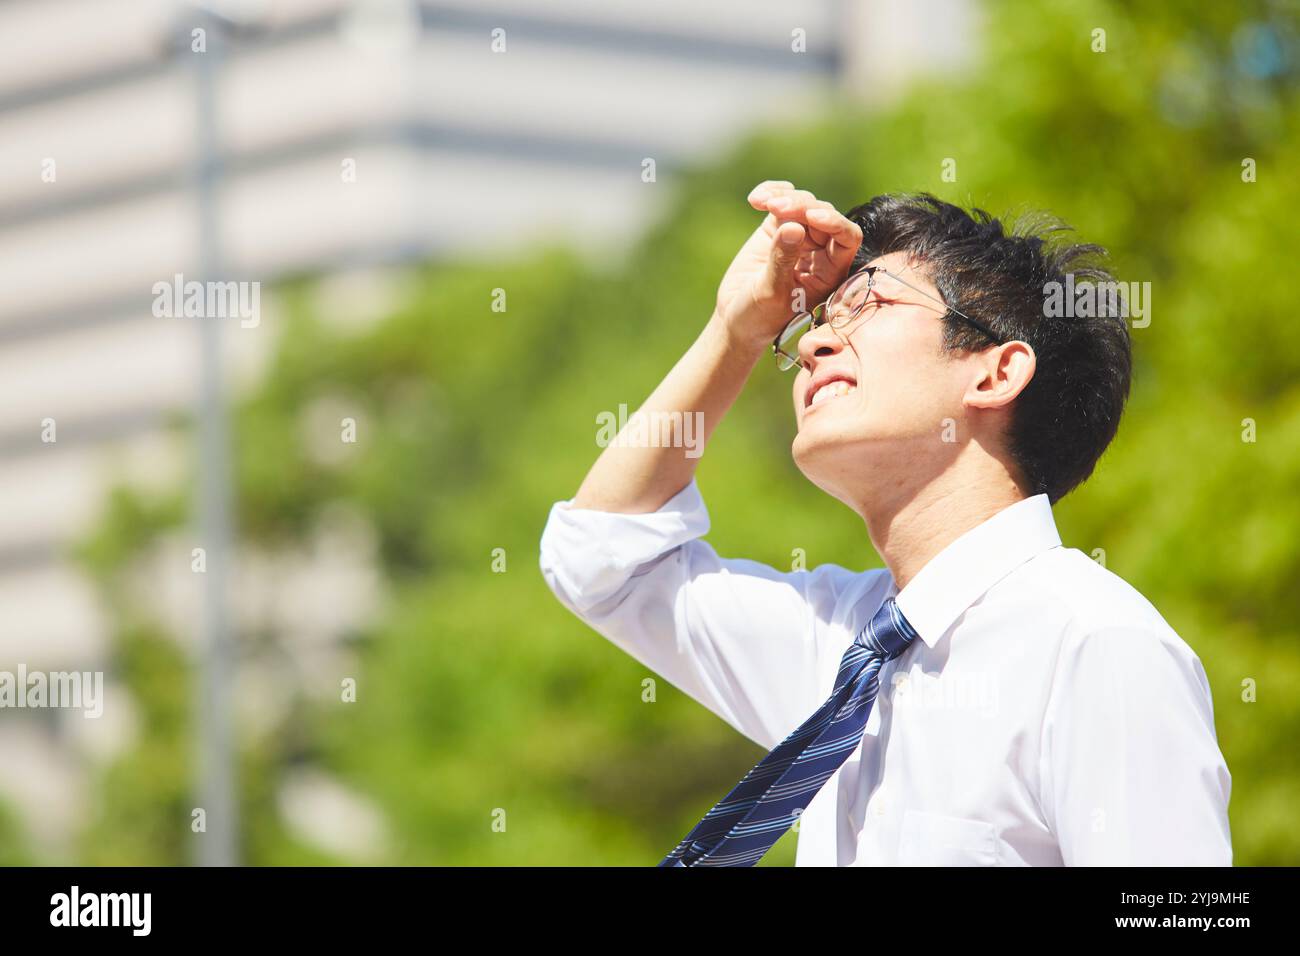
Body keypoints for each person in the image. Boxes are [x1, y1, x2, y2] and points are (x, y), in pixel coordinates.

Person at [538, 183, 1232, 866]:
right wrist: (737, 330)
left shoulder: (1093, 644)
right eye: (813, 324)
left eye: (868, 302)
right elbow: (602, 561)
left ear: (995, 375)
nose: (814, 346)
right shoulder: (841, 642)